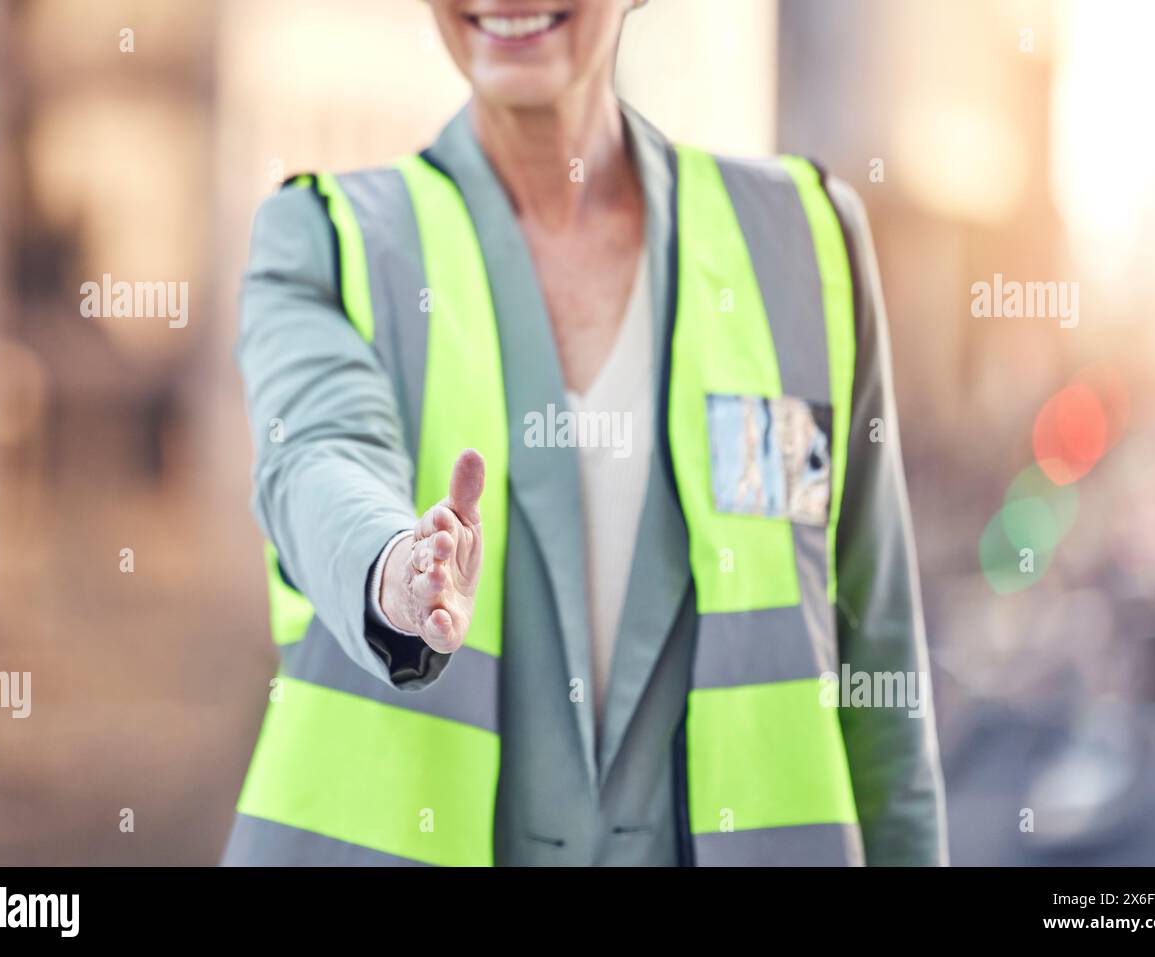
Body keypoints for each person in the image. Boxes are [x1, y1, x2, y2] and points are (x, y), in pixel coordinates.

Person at [224, 0, 946, 866]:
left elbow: (882, 683)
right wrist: (393, 573)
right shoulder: (327, 240)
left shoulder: (802, 243)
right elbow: (314, 456)